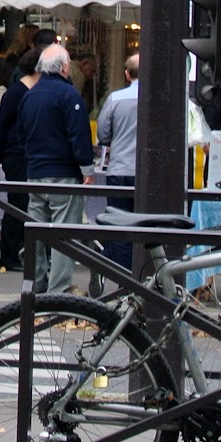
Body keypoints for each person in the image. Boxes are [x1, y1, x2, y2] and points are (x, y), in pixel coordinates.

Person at [16, 44, 96, 294]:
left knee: (37, 233)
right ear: (64, 67)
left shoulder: (29, 95)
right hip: (63, 173)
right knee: (63, 233)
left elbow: (21, 134)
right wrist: (87, 169)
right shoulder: (69, 95)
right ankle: (58, 291)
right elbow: (78, 135)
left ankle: (34, 285)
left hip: (35, 173)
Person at [0, 48, 40, 272]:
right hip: (15, 153)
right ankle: (8, 256)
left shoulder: (37, 91)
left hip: (30, 152)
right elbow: (1, 126)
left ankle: (22, 254)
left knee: (28, 203)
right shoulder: (15, 92)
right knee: (18, 203)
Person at [92, 53, 140, 289]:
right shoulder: (160, 98)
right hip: (149, 173)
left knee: (120, 225)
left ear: (126, 74)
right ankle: (143, 277)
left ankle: (124, 278)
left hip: (120, 168)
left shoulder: (115, 99)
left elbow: (103, 135)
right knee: (148, 224)